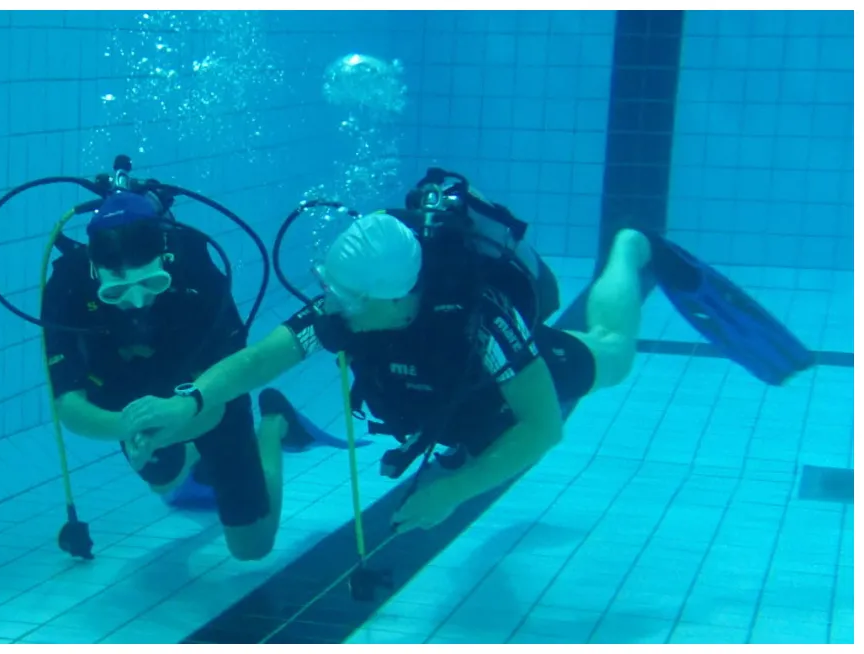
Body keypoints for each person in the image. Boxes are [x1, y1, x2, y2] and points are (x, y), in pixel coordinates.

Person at [119, 172, 813, 535]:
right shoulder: (354, 300)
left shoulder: (479, 318)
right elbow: (262, 359)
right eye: (335, 296)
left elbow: (544, 427)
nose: (337, 310)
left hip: (491, 390)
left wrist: (454, 490)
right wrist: (192, 401)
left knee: (614, 353)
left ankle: (632, 250)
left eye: (353, 301)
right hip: (442, 404)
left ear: (399, 297)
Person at [41, 190, 298, 559]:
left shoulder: (194, 267)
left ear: (165, 258)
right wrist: (129, 428)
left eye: (152, 284)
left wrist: (166, 426)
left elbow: (220, 395)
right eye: (117, 292)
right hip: (132, 408)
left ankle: (275, 422)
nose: (138, 301)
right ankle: (187, 454)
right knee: (165, 479)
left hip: (209, 400)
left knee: (252, 549)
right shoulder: (68, 284)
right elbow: (68, 403)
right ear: (95, 271)